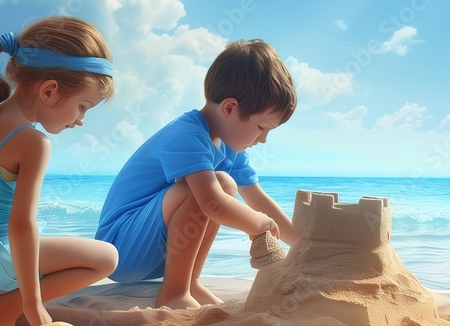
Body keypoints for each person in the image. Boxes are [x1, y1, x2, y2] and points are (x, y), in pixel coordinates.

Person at [0, 16, 119, 326]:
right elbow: (22, 226)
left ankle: (1, 303)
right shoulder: (32, 141)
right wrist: (33, 303)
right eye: (82, 106)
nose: (80, 120)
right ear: (49, 91)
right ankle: (5, 307)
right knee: (107, 257)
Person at [96, 39, 298, 309]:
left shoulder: (229, 147)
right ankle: (175, 293)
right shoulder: (188, 135)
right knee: (218, 185)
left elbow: (258, 199)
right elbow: (212, 203)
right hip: (122, 249)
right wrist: (258, 223)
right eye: (262, 127)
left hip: (153, 253)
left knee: (223, 185)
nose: (262, 140)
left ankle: (189, 283)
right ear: (229, 108)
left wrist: (304, 245)